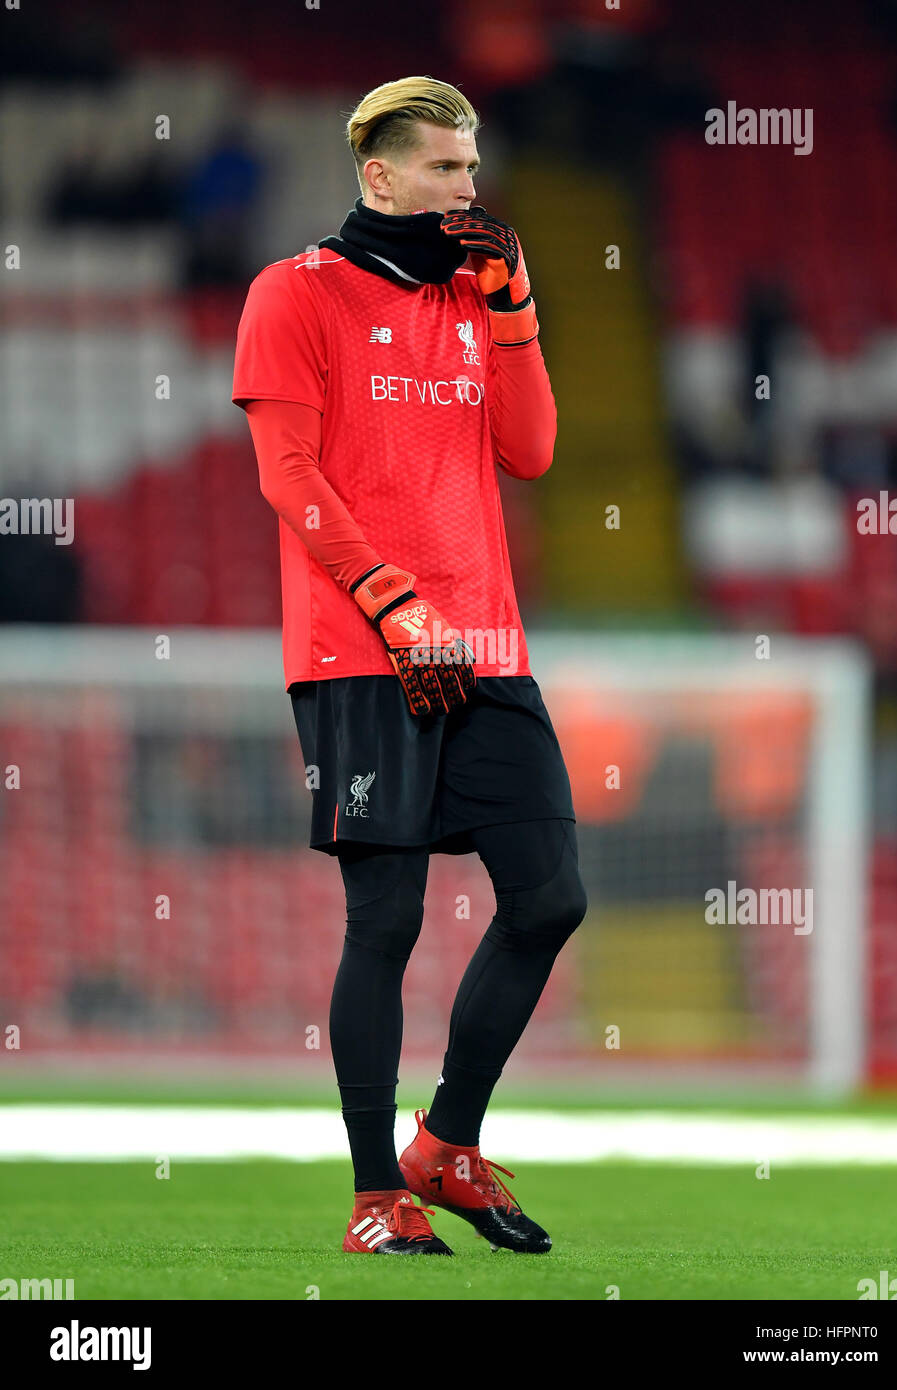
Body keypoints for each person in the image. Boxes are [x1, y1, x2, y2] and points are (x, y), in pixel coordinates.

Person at [231, 76, 586, 1256]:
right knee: (384, 916)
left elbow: (530, 452)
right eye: (445, 169)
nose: (468, 191)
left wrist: (517, 303)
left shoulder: (471, 297)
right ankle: (373, 1190)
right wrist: (392, 605)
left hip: (486, 639)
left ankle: (447, 1144)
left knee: (549, 896)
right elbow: (289, 475)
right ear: (380, 176)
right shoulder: (294, 292)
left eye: (474, 170)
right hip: (359, 646)